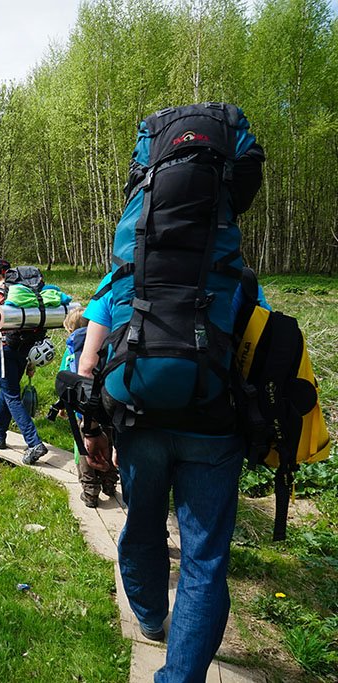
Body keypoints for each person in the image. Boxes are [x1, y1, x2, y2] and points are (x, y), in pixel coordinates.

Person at [79, 102, 265, 682]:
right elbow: (251, 351)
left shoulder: (129, 272)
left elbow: (91, 352)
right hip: (212, 425)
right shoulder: (232, 275)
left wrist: (91, 426)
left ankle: (152, 617)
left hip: (141, 417)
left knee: (141, 526)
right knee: (206, 560)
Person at [0, 259, 47, 465]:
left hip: (4, 349)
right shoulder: (24, 293)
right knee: (8, 390)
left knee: (11, 394)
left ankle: (34, 442)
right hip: (25, 347)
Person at [59, 306, 117, 507]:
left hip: (82, 411)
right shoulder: (105, 344)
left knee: (84, 449)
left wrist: (63, 407)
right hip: (108, 406)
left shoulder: (70, 351)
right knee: (109, 442)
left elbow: (64, 381)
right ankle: (110, 483)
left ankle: (91, 491)